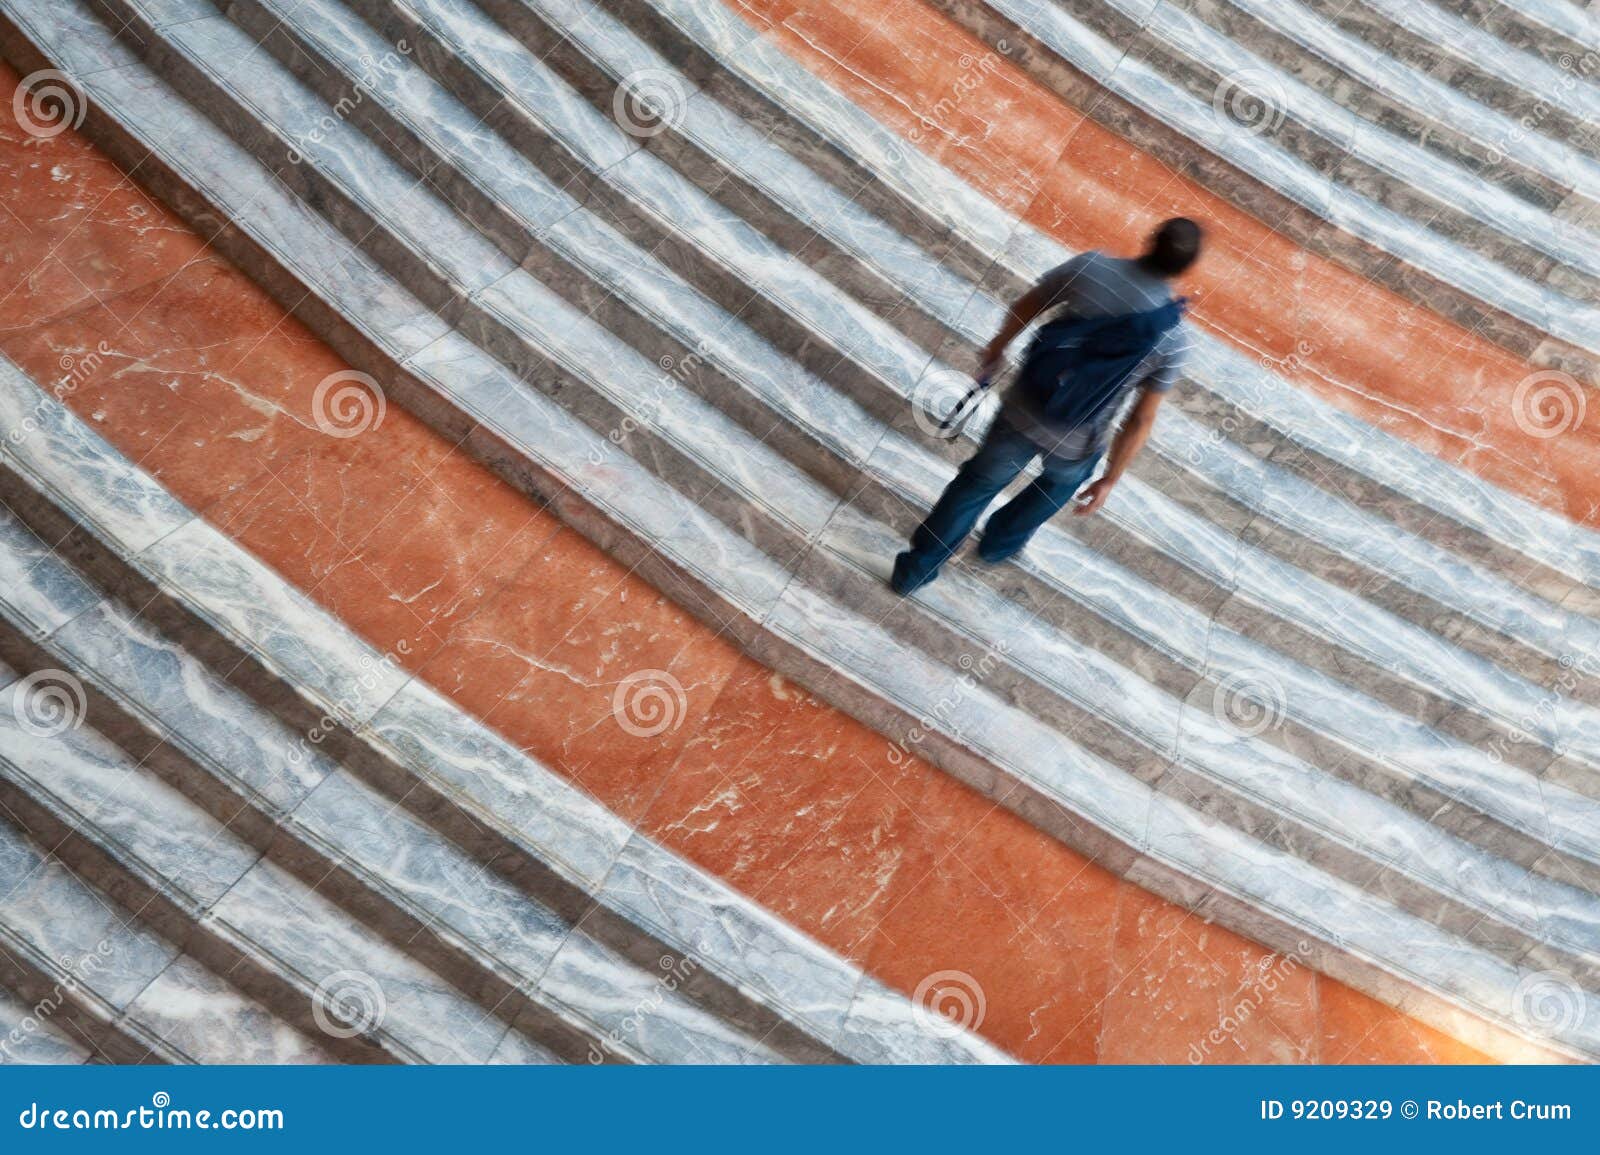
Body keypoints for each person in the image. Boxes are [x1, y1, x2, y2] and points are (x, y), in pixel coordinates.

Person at [891, 217, 1202, 596]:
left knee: (974, 487)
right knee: (1056, 487)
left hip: (1022, 409)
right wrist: (1111, 478)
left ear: (1151, 239)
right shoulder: (1173, 337)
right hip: (1079, 438)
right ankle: (999, 543)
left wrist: (998, 347)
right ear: (1186, 269)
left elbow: (1031, 304)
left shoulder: (1092, 267)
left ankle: (914, 573)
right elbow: (1141, 418)